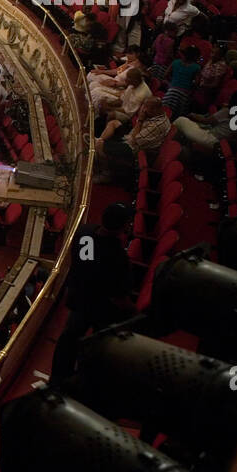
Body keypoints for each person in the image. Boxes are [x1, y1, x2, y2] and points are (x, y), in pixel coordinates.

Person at [51, 202, 134, 381]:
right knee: (97, 345)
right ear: (123, 226)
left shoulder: (84, 232)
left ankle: (58, 378)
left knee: (68, 340)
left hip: (79, 296)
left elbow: (86, 259)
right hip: (99, 307)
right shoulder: (118, 257)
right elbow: (119, 297)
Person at [95, 97, 171, 177]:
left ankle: (105, 174)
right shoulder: (156, 115)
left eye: (145, 107)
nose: (143, 110)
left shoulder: (156, 125)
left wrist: (141, 120)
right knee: (114, 123)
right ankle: (98, 140)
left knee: (100, 146)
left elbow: (133, 141)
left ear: (154, 109)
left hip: (134, 150)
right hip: (132, 138)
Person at [173, 91, 237, 157]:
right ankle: (177, 146)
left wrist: (192, 115)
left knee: (180, 120)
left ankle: (167, 143)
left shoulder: (227, 112)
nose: (229, 98)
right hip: (224, 144)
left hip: (211, 140)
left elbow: (205, 121)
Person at [162, 45, 203, 116]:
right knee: (177, 116)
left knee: (164, 113)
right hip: (184, 95)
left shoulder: (175, 62)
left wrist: (171, 84)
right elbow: (196, 84)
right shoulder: (196, 67)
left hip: (171, 92)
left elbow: (165, 75)